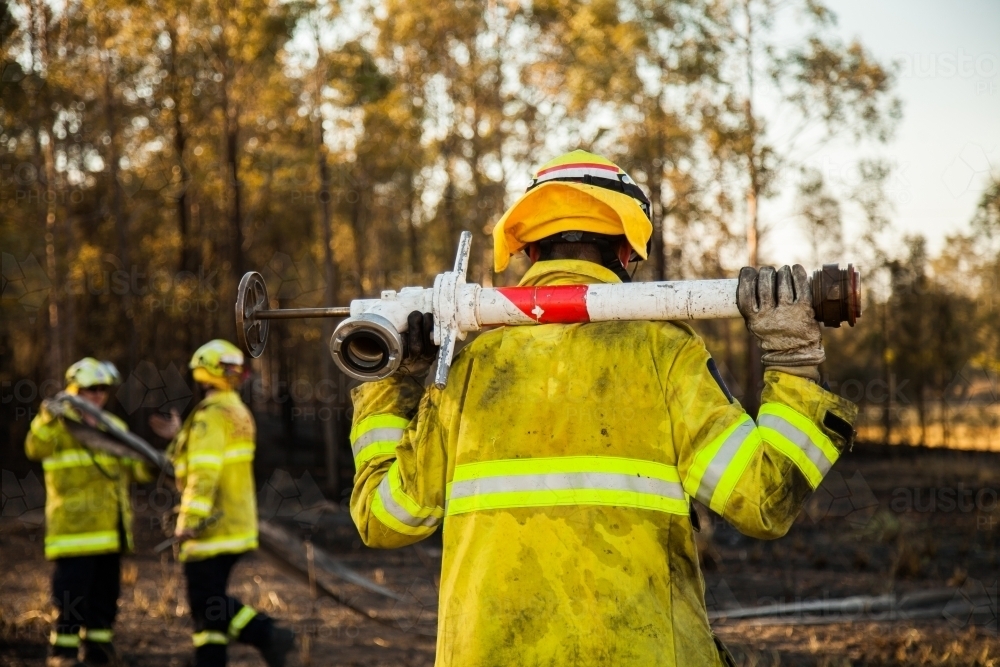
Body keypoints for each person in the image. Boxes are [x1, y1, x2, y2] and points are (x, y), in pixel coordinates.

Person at [348, 150, 859, 666]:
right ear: (628, 249)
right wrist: (793, 361)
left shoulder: (470, 366)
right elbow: (762, 500)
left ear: (526, 248)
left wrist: (391, 382)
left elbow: (386, 518)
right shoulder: (664, 353)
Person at [148, 339, 295, 667]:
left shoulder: (210, 417)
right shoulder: (238, 412)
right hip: (235, 524)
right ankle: (210, 660)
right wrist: (179, 435)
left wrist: (188, 520)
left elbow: (204, 472)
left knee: (206, 601)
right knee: (207, 608)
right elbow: (200, 458)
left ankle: (267, 634)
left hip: (210, 530)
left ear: (202, 374)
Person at [25, 358, 153, 667]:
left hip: (110, 532)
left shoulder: (114, 427)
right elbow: (34, 448)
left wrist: (155, 459)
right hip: (73, 533)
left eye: (102, 390)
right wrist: (45, 418)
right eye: (90, 389)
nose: (96, 395)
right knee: (70, 599)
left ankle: (100, 653)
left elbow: (137, 470)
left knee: (105, 599)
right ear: (74, 390)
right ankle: (64, 655)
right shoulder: (57, 426)